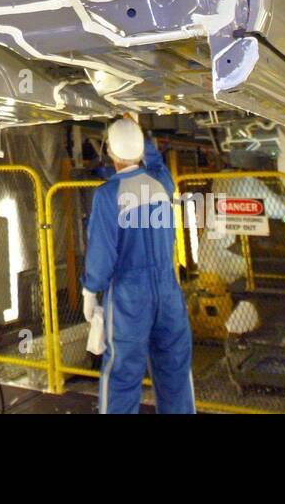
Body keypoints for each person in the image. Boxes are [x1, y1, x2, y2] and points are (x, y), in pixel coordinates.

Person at [82, 116, 195, 414]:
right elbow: (154, 163)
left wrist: (90, 291)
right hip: (168, 292)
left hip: (129, 297)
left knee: (122, 374)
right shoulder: (160, 183)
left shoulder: (107, 195)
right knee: (175, 371)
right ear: (139, 149)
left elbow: (102, 252)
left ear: (111, 154)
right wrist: (140, 134)